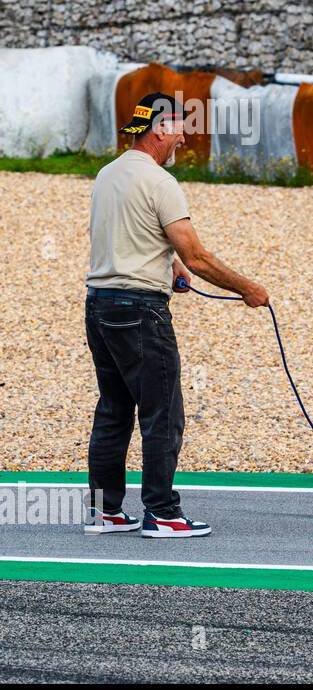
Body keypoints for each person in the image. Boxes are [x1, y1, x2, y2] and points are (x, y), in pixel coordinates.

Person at [85, 92, 269, 538]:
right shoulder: (161, 182)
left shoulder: (108, 175)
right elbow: (198, 254)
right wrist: (248, 289)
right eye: (180, 129)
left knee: (113, 409)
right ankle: (163, 513)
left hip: (99, 304)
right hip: (141, 310)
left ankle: (105, 512)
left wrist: (170, 265)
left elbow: (132, 233)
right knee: (162, 413)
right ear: (161, 128)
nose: (183, 138)